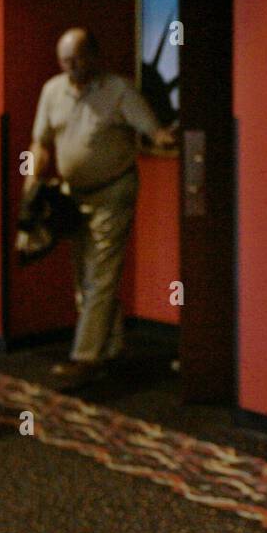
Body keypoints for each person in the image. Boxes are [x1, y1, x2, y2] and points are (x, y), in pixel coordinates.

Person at [25, 27, 177, 390]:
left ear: (94, 56)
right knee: (85, 274)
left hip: (114, 192)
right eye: (65, 60)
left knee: (101, 273)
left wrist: (165, 138)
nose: (71, 66)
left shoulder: (119, 90)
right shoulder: (52, 91)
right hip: (73, 195)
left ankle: (86, 357)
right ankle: (111, 346)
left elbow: (152, 130)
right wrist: (30, 183)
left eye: (77, 58)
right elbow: (40, 142)